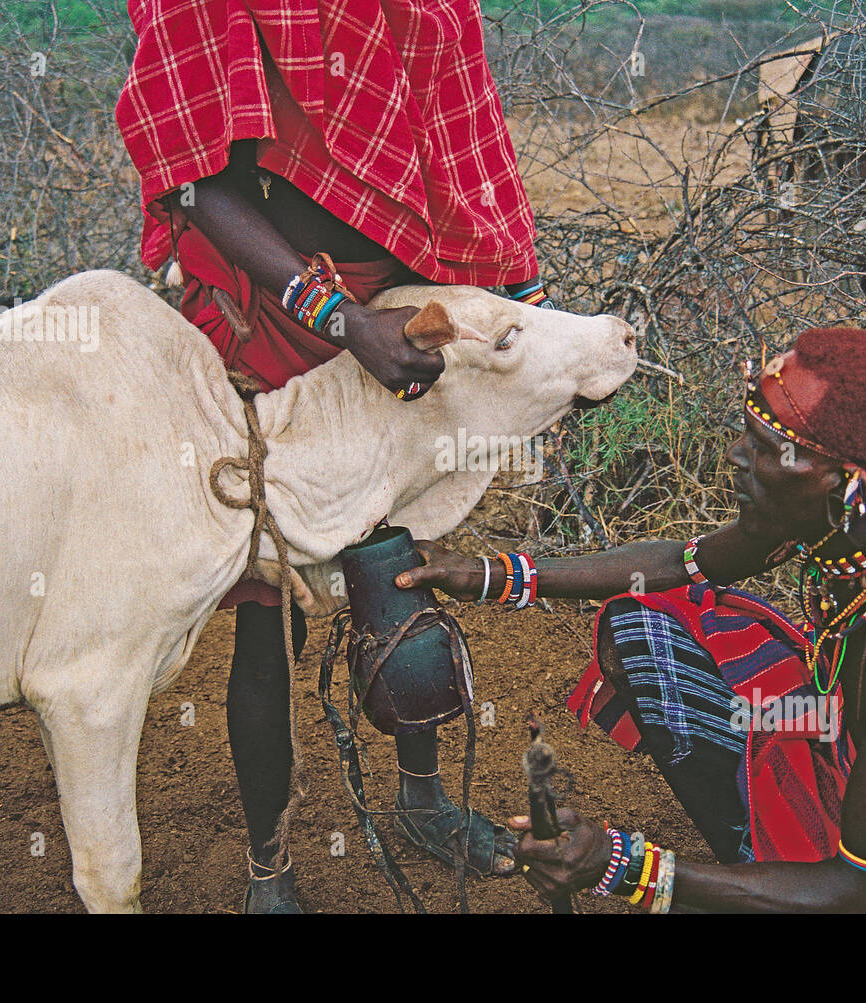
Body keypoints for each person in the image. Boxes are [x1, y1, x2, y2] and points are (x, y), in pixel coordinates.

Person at [399, 327, 866, 912]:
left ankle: (762, 877)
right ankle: (760, 865)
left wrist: (624, 866)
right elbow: (687, 562)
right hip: (864, 756)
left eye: (764, 446)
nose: (736, 457)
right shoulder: (865, 510)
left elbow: (858, 888)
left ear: (843, 484)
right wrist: (501, 576)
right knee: (643, 628)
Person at [115, 0, 550, 912]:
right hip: (272, 310)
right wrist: (342, 322)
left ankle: (421, 798)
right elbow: (195, 180)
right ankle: (270, 869)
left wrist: (513, 307)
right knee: (269, 607)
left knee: (398, 564)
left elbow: (459, 138)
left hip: (406, 307)